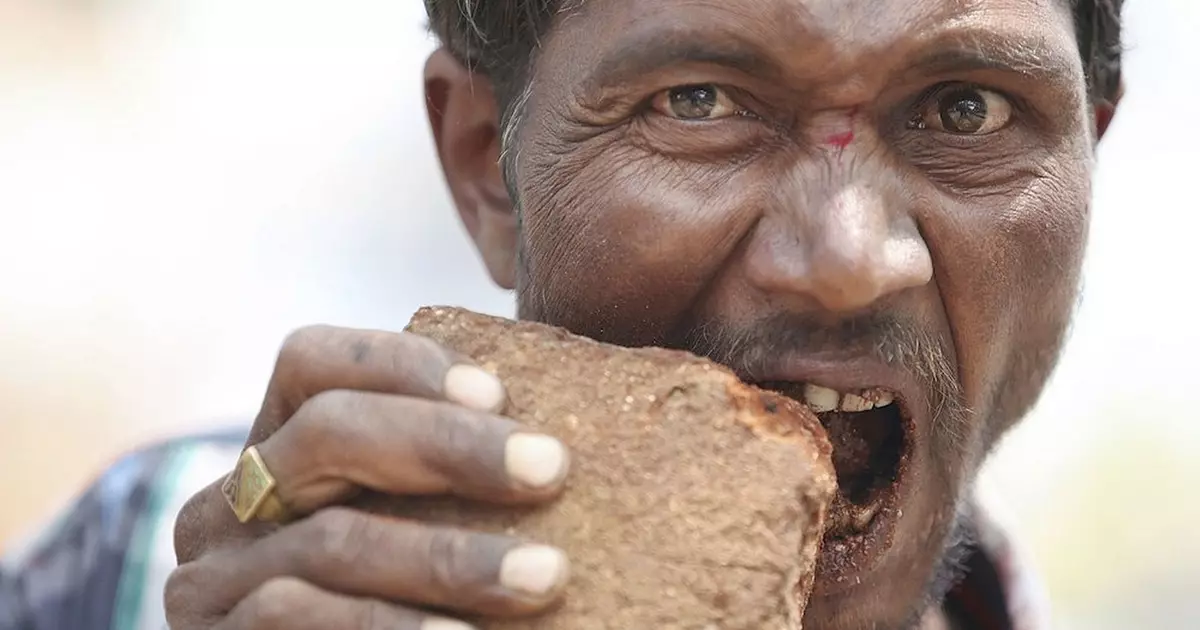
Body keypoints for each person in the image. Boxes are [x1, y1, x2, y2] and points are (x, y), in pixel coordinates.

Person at [0, 0, 1126, 628]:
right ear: (485, 166)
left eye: (967, 108)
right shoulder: (124, 573)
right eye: (699, 101)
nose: (846, 261)